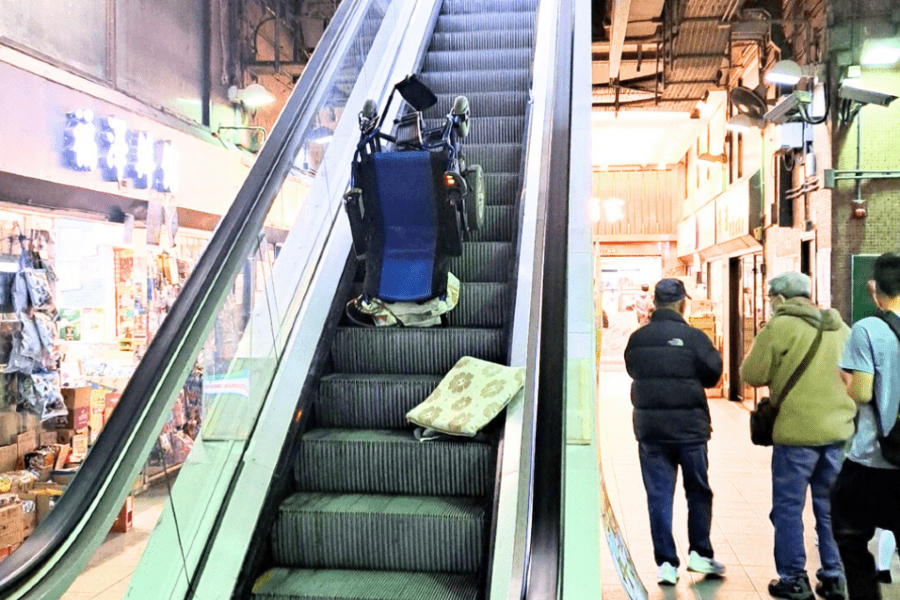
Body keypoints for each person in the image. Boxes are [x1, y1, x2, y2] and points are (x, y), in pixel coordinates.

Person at [740, 272, 855, 600]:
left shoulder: (778, 328)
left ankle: (794, 578)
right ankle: (834, 577)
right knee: (830, 506)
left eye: (769, 297)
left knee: (789, 507)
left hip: (796, 436)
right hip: (837, 433)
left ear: (779, 298)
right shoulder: (840, 328)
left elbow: (752, 374)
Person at [624, 278, 725, 585]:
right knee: (698, 491)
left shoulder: (638, 339)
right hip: (690, 431)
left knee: (658, 496)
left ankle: (666, 563)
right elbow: (713, 375)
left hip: (651, 431)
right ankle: (699, 554)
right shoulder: (694, 338)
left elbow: (632, 369)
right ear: (683, 303)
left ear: (654, 302)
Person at [833, 252, 900, 600]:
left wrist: (844, 375)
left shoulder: (869, 329)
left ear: (875, 290)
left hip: (875, 459)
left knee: (849, 533)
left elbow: (861, 392)